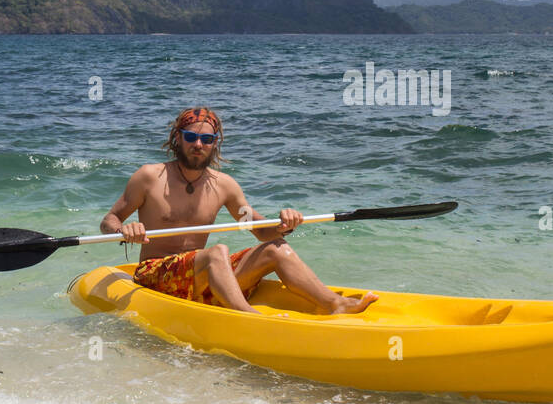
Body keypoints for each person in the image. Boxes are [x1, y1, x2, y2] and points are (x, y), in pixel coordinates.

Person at [100, 107, 377, 316]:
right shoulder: (149, 177)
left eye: (206, 139)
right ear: (177, 138)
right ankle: (247, 317)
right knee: (218, 251)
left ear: (215, 143)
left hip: (201, 278)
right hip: (156, 275)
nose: (198, 144)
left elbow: (258, 230)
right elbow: (109, 221)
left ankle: (333, 303)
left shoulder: (225, 186)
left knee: (275, 247)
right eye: (191, 137)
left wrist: (283, 225)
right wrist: (123, 229)